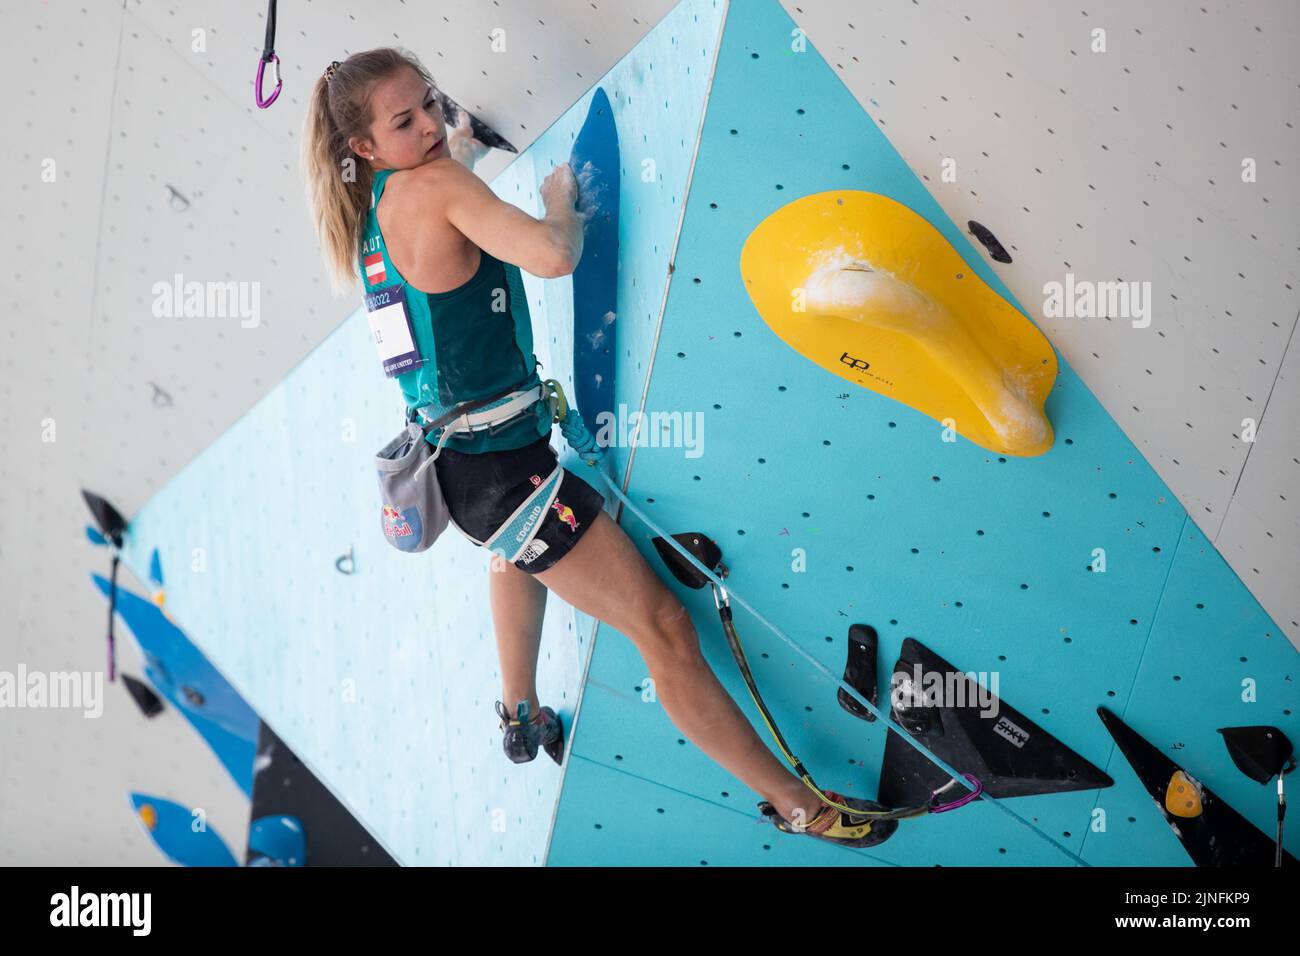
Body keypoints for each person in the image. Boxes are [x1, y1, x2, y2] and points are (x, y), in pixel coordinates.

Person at [300, 47, 887, 846]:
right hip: (508, 480)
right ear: (365, 147)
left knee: (515, 556)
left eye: (431, 104)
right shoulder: (436, 185)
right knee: (664, 630)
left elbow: (439, 234)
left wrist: (461, 146)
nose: (433, 126)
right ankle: (799, 805)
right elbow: (553, 256)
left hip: (467, 476)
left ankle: (518, 714)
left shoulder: (373, 214)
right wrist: (559, 204)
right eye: (406, 122)